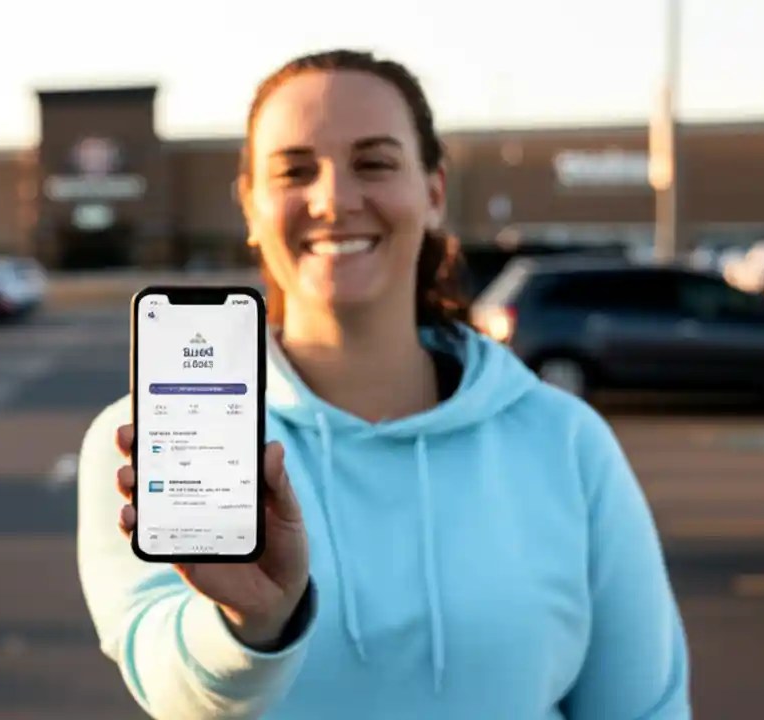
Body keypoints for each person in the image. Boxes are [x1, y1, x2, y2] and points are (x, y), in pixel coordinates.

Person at [77, 49, 691, 719]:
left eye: (373, 162)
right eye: (295, 170)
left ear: (433, 193)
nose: (335, 199)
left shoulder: (566, 442)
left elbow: (644, 708)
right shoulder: (144, 441)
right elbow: (171, 690)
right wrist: (251, 626)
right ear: (250, 205)